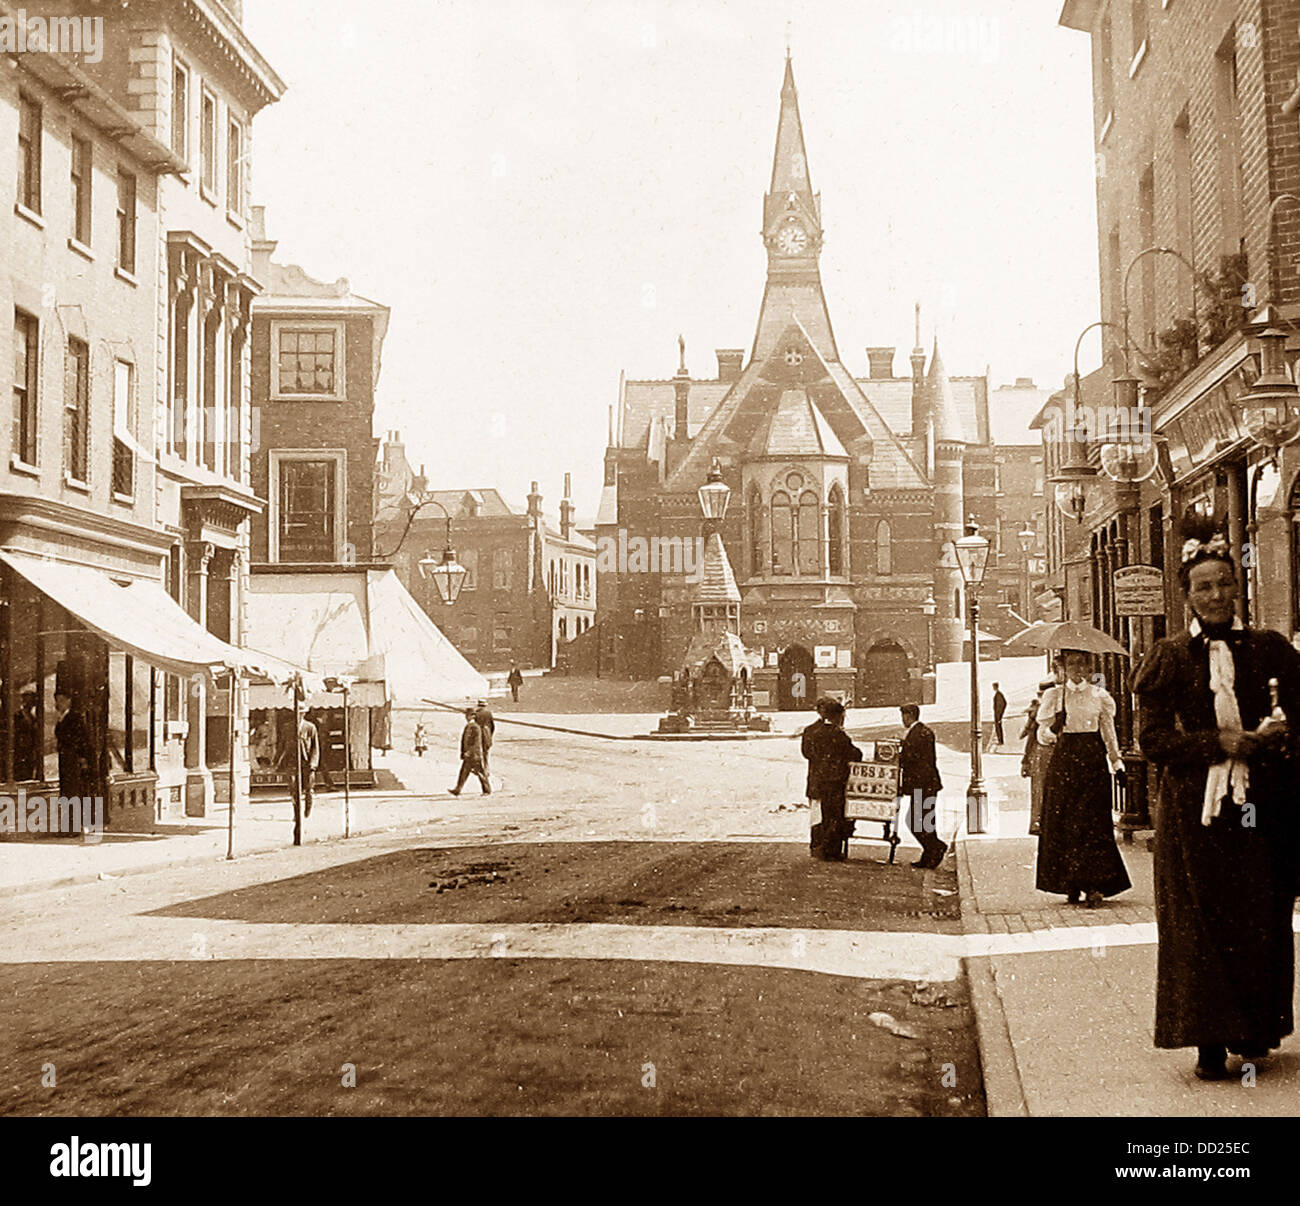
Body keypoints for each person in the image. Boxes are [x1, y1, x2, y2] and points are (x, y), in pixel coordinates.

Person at [1131, 513, 1300, 1082]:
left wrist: (1277, 737)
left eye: (1225, 583)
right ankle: (1207, 1041)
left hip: (1259, 807)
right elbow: (1151, 740)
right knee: (1199, 920)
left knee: (1259, 913)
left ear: (1239, 586)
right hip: (1193, 810)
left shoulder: (1270, 649)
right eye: (1203, 586)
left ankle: (1254, 1028)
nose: (1217, 594)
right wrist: (1215, 742)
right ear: (1187, 597)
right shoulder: (1171, 656)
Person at [1034, 648, 1130, 908]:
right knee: (1065, 823)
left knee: (1092, 823)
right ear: (1064, 667)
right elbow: (1041, 735)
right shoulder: (1055, 696)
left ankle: (1095, 885)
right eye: (1071, 664)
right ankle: (1071, 883)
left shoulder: (1099, 696)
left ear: (1089, 669)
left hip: (1092, 763)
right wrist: (1054, 727)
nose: (1077, 669)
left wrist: (1117, 762)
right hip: (1064, 763)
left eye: (1081, 664)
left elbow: (1108, 733)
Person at [801, 697, 862, 861]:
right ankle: (831, 850)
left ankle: (817, 847)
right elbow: (855, 754)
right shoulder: (838, 734)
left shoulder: (810, 731)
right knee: (834, 816)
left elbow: (807, 753)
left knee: (817, 815)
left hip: (816, 781)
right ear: (836, 716)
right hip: (834, 783)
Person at [899, 703, 946, 869]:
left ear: (909, 715)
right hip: (927, 783)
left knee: (916, 821)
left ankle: (936, 847)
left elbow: (911, 759)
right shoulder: (923, 731)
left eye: (903, 716)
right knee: (923, 821)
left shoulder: (917, 734)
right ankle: (928, 854)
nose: (902, 720)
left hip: (922, 784)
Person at [1021, 674, 1058, 836]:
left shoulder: (1050, 708)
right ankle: (1040, 821)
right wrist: (1025, 760)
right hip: (1041, 752)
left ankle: (1041, 821)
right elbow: (1028, 736)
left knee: (1042, 788)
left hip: (1042, 752)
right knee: (1041, 788)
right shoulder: (1039, 711)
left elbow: (1027, 736)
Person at [53, 690, 93, 802]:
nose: (59, 704)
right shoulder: (61, 718)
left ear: (68, 701)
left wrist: (82, 757)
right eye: (57, 701)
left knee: (74, 787)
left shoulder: (75, 717)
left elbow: (82, 738)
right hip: (66, 758)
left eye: (62, 701)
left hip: (74, 758)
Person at [450, 706, 491, 796]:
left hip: (474, 755)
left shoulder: (474, 727)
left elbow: (475, 742)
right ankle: (458, 789)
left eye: (467, 715)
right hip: (470, 754)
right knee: (464, 772)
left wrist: (469, 752)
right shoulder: (470, 726)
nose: (466, 717)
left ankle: (487, 790)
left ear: (472, 716)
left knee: (480, 772)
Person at [292, 712, 320, 819]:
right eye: (297, 712)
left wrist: (313, 763)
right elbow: (283, 745)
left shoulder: (310, 727)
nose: (298, 715)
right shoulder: (288, 727)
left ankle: (307, 810)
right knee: (294, 789)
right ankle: (296, 813)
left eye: (301, 713)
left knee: (309, 789)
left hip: (307, 763)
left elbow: (315, 747)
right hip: (293, 762)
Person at [475, 699, 495, 778]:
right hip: (487, 735)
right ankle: (486, 770)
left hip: (478, 735)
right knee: (486, 753)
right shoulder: (488, 713)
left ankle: (480, 769)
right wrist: (490, 735)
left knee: (479, 753)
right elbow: (492, 726)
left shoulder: (476, 714)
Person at [990, 683, 1007, 748]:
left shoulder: (999, 695)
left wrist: (1000, 714)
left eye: (993, 686)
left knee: (998, 727)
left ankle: (1000, 741)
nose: (993, 688)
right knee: (998, 727)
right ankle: (1000, 740)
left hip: (998, 714)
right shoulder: (998, 694)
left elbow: (1003, 704)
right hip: (997, 714)